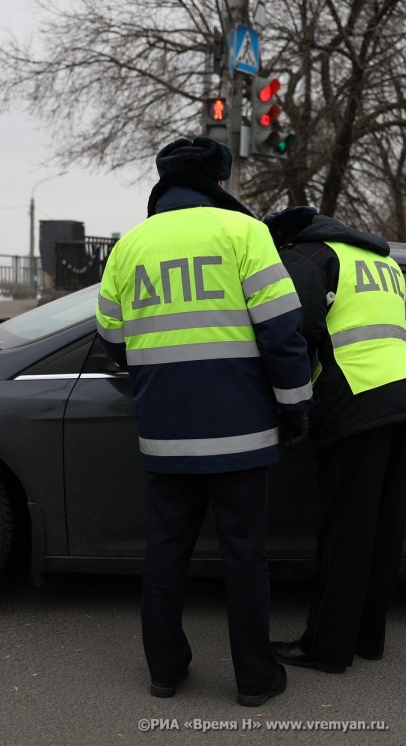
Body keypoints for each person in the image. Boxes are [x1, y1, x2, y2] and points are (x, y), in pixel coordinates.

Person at [95, 136, 312, 707]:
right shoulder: (244, 233)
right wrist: (295, 406)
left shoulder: (130, 246)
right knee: (244, 556)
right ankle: (255, 679)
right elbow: (281, 332)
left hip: (164, 434)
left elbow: (112, 342)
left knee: (166, 553)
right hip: (242, 434)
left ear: (165, 184)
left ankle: (165, 672)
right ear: (218, 183)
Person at [262, 205, 406, 674]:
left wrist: (288, 399)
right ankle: (367, 638)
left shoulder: (310, 255)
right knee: (381, 529)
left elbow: (295, 328)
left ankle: (326, 648)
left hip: (355, 396)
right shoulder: (380, 260)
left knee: (345, 531)